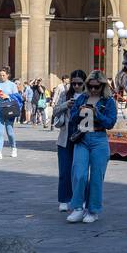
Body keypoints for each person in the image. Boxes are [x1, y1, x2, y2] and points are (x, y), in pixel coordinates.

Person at [66, 71, 118, 224]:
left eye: (97, 87)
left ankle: (93, 210)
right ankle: (77, 208)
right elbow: (73, 119)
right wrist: (79, 111)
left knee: (96, 177)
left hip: (99, 139)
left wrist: (97, 113)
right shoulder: (82, 97)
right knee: (79, 173)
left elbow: (110, 123)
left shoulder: (108, 101)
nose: (93, 90)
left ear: (103, 86)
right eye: (90, 86)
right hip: (83, 137)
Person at [53, 71, 88, 212]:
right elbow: (55, 111)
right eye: (74, 83)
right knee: (64, 170)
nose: (77, 86)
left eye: (80, 83)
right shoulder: (65, 94)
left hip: (82, 137)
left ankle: (82, 198)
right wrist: (65, 105)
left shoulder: (88, 96)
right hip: (65, 138)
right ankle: (63, 199)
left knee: (81, 172)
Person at [0, 68, 21, 159]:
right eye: (0, 75)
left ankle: (14, 147)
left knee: (10, 131)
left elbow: (17, 98)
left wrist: (7, 96)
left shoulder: (12, 85)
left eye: (4, 75)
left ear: (8, 75)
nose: (2, 77)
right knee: (0, 132)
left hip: (9, 109)